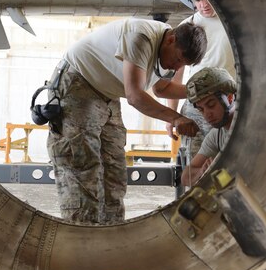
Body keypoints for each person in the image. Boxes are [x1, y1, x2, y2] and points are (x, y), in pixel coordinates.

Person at [45, 17, 207, 225]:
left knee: (114, 173)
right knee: (83, 168)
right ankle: (83, 241)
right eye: (177, 61)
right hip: (78, 83)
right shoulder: (141, 37)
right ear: (171, 40)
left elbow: (162, 88)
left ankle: (111, 237)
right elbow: (135, 96)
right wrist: (175, 118)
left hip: (107, 94)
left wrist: (200, 91)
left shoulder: (173, 51)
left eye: (182, 65)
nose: (176, 68)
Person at [167, 0, 236, 157]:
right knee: (194, 160)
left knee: (229, 157)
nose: (203, 4)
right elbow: (177, 74)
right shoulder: (187, 25)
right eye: (198, 0)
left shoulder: (234, 23)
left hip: (226, 102)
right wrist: (171, 116)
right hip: (195, 105)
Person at [180, 67, 237, 187]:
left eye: (211, 105)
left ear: (230, 98)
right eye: (201, 109)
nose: (207, 114)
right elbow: (186, 178)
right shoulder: (216, 135)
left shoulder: (249, 127)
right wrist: (202, 171)